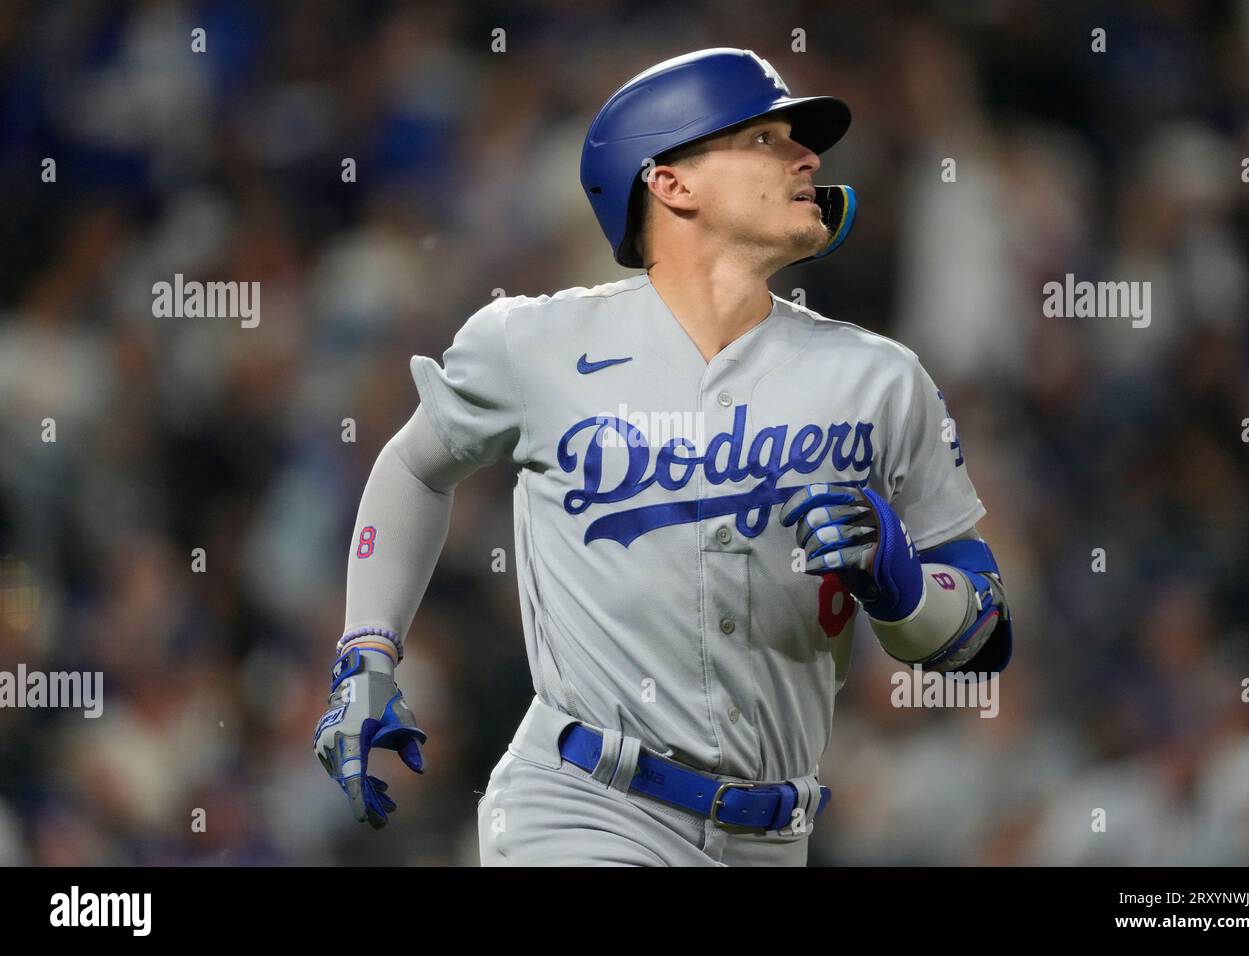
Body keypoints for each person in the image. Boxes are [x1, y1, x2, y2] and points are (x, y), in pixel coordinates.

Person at [313, 47, 1013, 866]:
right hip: (583, 809)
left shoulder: (880, 379)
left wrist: (904, 590)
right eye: (764, 140)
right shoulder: (535, 343)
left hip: (774, 837)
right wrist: (366, 650)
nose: (807, 158)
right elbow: (412, 467)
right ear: (670, 183)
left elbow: (986, 633)